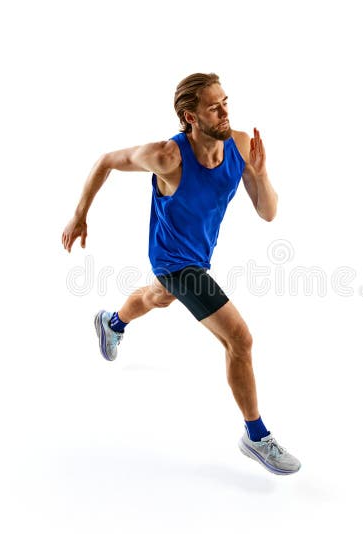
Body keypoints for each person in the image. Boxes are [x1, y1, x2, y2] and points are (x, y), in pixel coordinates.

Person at [61, 73, 300, 475]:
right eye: (214, 107)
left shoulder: (239, 145)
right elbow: (106, 161)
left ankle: (112, 322)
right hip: (174, 260)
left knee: (158, 297)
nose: (225, 111)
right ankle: (256, 436)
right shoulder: (166, 156)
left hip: (197, 257)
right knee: (239, 338)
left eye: (226, 102)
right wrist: (79, 214)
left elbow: (268, 212)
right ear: (190, 116)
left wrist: (260, 174)